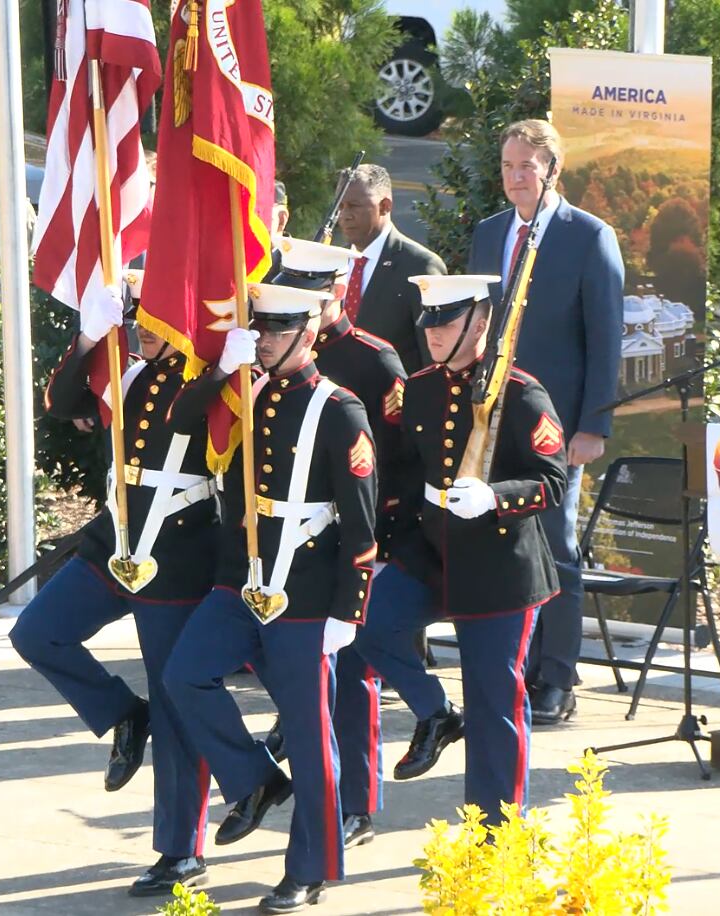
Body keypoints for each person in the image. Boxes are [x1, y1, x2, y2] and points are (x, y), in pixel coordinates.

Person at [9, 270, 254, 896]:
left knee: (176, 705)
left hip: (176, 549)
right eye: (134, 320)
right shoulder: (130, 370)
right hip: (116, 536)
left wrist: (226, 370)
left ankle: (180, 849)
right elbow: (63, 402)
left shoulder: (207, 380)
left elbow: (187, 422)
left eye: (152, 322)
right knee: (38, 632)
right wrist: (90, 338)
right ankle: (122, 713)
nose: (140, 331)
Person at [163, 282, 377, 913]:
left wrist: (348, 609)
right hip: (241, 579)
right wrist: (225, 368)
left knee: (311, 737)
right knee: (184, 677)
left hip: (307, 592)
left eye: (276, 332)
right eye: (258, 331)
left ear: (307, 335)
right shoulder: (246, 388)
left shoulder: (339, 409)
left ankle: (307, 867)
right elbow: (181, 420)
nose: (263, 342)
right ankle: (256, 780)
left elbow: (362, 524)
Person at [348, 273, 568, 827]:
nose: (434, 336)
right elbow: (398, 470)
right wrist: (392, 542)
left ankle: (495, 834)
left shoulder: (520, 393)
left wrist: (495, 497)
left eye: (446, 324)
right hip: (432, 556)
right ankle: (435, 712)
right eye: (430, 325)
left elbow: (553, 480)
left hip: (500, 568)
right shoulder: (419, 388)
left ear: (481, 322)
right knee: (365, 623)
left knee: (495, 704)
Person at [213, 236, 408, 851]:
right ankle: (296, 803)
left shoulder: (370, 365)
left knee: (342, 698)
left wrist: (356, 595)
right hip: (270, 571)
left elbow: (386, 471)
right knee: (306, 712)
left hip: (339, 560)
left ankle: (346, 817)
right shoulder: (263, 384)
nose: (269, 336)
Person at [467, 118, 624, 724]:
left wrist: (594, 426)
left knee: (555, 542)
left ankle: (556, 675)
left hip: (556, 423)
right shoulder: (488, 234)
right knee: (502, 539)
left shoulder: (588, 236)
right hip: (492, 417)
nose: (514, 179)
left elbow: (606, 338)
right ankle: (511, 668)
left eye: (525, 168)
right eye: (506, 167)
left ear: (552, 170)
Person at [333, 163, 447, 374]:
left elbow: (433, 359)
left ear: (385, 206)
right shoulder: (331, 263)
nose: (345, 215)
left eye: (354, 206)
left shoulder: (420, 266)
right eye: (340, 206)